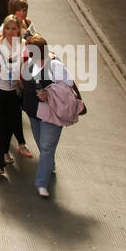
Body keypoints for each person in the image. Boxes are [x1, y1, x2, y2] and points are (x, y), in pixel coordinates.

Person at [20, 36, 84, 197]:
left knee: (47, 147)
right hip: (33, 112)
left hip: (51, 114)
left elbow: (68, 87)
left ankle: (41, 183)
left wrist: (49, 94)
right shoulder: (29, 65)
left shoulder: (54, 65)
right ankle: (49, 165)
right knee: (41, 143)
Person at [0, 15, 27, 182]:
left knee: (9, 126)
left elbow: (28, 69)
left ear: (18, 30)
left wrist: (21, 80)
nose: (10, 31)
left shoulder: (23, 47)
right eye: (8, 28)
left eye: (14, 28)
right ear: (4, 29)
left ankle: (5, 151)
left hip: (12, 93)